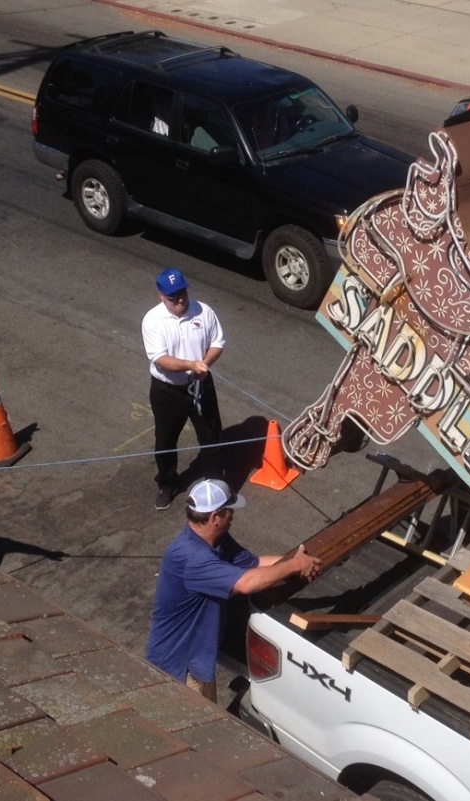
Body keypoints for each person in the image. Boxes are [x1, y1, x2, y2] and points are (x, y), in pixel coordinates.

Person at [145, 478, 321, 701]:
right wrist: (294, 566)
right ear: (215, 518)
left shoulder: (216, 540)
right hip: (180, 669)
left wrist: (299, 562)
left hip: (198, 659)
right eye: (229, 511)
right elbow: (246, 583)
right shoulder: (191, 557)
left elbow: (254, 564)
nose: (233, 515)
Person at [142, 267, 226, 510]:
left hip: (200, 384)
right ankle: (167, 484)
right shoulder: (153, 321)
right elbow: (160, 358)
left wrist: (205, 364)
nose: (180, 300)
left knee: (212, 437)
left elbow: (218, 341)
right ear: (161, 296)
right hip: (168, 391)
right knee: (165, 440)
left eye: (182, 293)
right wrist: (191, 364)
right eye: (173, 297)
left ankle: (217, 487)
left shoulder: (204, 311)